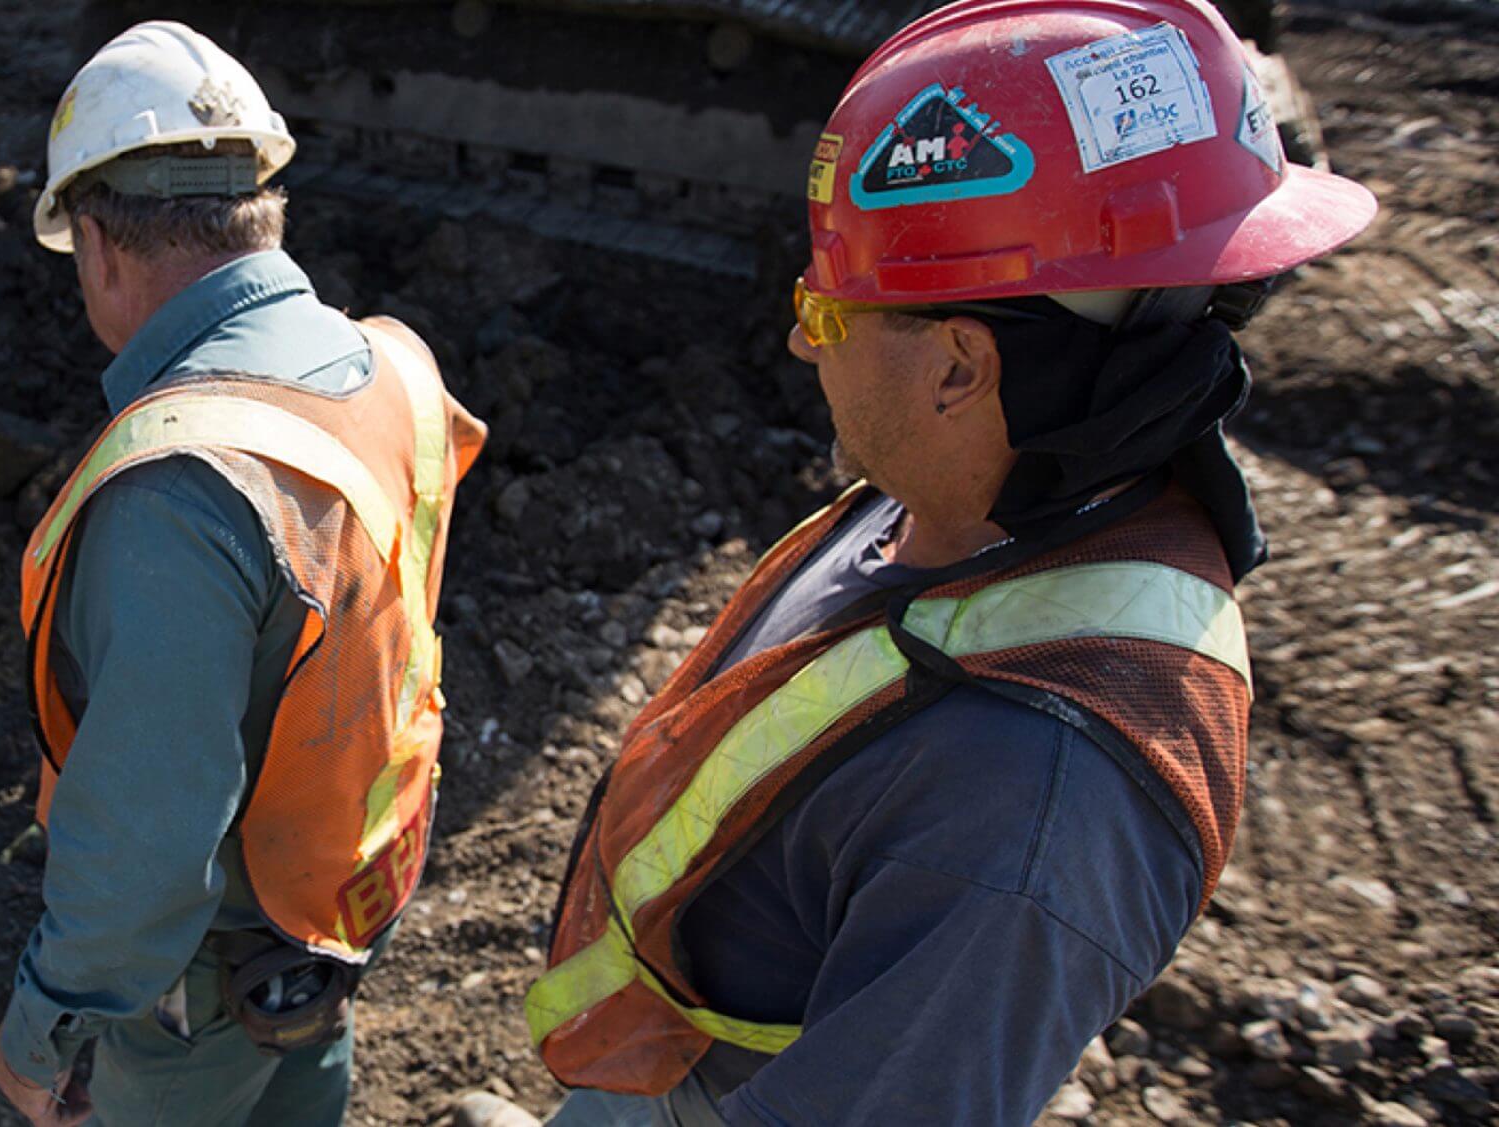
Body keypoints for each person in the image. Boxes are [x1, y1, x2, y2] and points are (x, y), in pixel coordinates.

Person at [523, 0, 1378, 1123]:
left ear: (959, 370)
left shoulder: (1032, 807)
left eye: (821, 311)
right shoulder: (974, 498)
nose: (795, 341)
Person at [0, 21, 487, 1127]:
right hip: (336, 901)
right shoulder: (396, 368)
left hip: (205, 989)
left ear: (101, 246)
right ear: (262, 211)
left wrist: (46, 1023)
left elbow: (148, 839)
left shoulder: (175, 490)